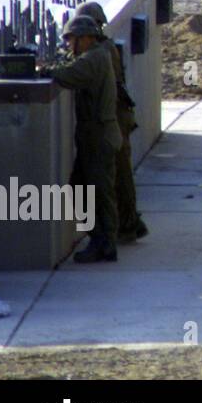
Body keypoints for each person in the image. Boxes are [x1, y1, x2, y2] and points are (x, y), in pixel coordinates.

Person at [46, 15, 121, 263]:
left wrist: (43, 69)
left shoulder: (94, 58)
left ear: (86, 38)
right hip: (95, 134)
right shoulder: (96, 54)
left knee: (99, 192)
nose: (69, 46)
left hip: (98, 135)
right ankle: (100, 239)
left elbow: (68, 75)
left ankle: (105, 243)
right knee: (83, 187)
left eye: (72, 40)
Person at [77, 2, 148, 244]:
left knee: (119, 176)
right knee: (118, 175)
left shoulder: (102, 51)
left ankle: (127, 225)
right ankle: (127, 224)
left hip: (115, 117)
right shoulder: (104, 47)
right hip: (118, 116)